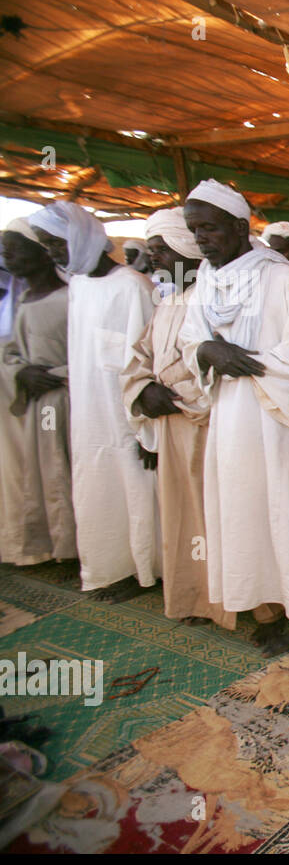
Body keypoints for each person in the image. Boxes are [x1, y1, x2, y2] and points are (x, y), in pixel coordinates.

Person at [177, 179, 289, 656]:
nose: (201, 238)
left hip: (275, 420)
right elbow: (189, 339)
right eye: (194, 229)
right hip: (229, 418)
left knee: (288, 511)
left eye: (209, 227)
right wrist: (208, 350)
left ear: (240, 227)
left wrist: (250, 363)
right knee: (244, 510)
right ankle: (266, 600)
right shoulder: (204, 277)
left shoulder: (282, 278)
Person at [30, 201, 159, 602]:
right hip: (89, 416)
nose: (52, 252)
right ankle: (111, 567)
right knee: (96, 491)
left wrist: (146, 429)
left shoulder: (133, 286)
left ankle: (146, 570)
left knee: (137, 492)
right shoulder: (80, 286)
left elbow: (147, 363)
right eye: (46, 245)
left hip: (127, 418)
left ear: (81, 237)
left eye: (56, 242)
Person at [122, 208, 235, 629]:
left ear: (184, 250)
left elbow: (231, 367)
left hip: (210, 428)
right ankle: (196, 598)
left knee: (218, 516)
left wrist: (184, 399)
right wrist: (144, 391)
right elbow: (138, 359)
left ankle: (233, 602)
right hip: (171, 428)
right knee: (183, 517)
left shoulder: (218, 299)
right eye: (151, 251)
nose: (155, 259)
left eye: (161, 250)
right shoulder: (167, 303)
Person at [0, 218, 73, 567]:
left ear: (44, 254)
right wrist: (23, 372)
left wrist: (57, 375)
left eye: (15, 248)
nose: (7, 255)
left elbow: (95, 354)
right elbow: (12, 354)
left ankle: (76, 547)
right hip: (40, 403)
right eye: (5, 249)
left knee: (67, 471)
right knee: (46, 472)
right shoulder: (26, 299)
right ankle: (55, 545)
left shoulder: (70, 297)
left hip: (68, 400)